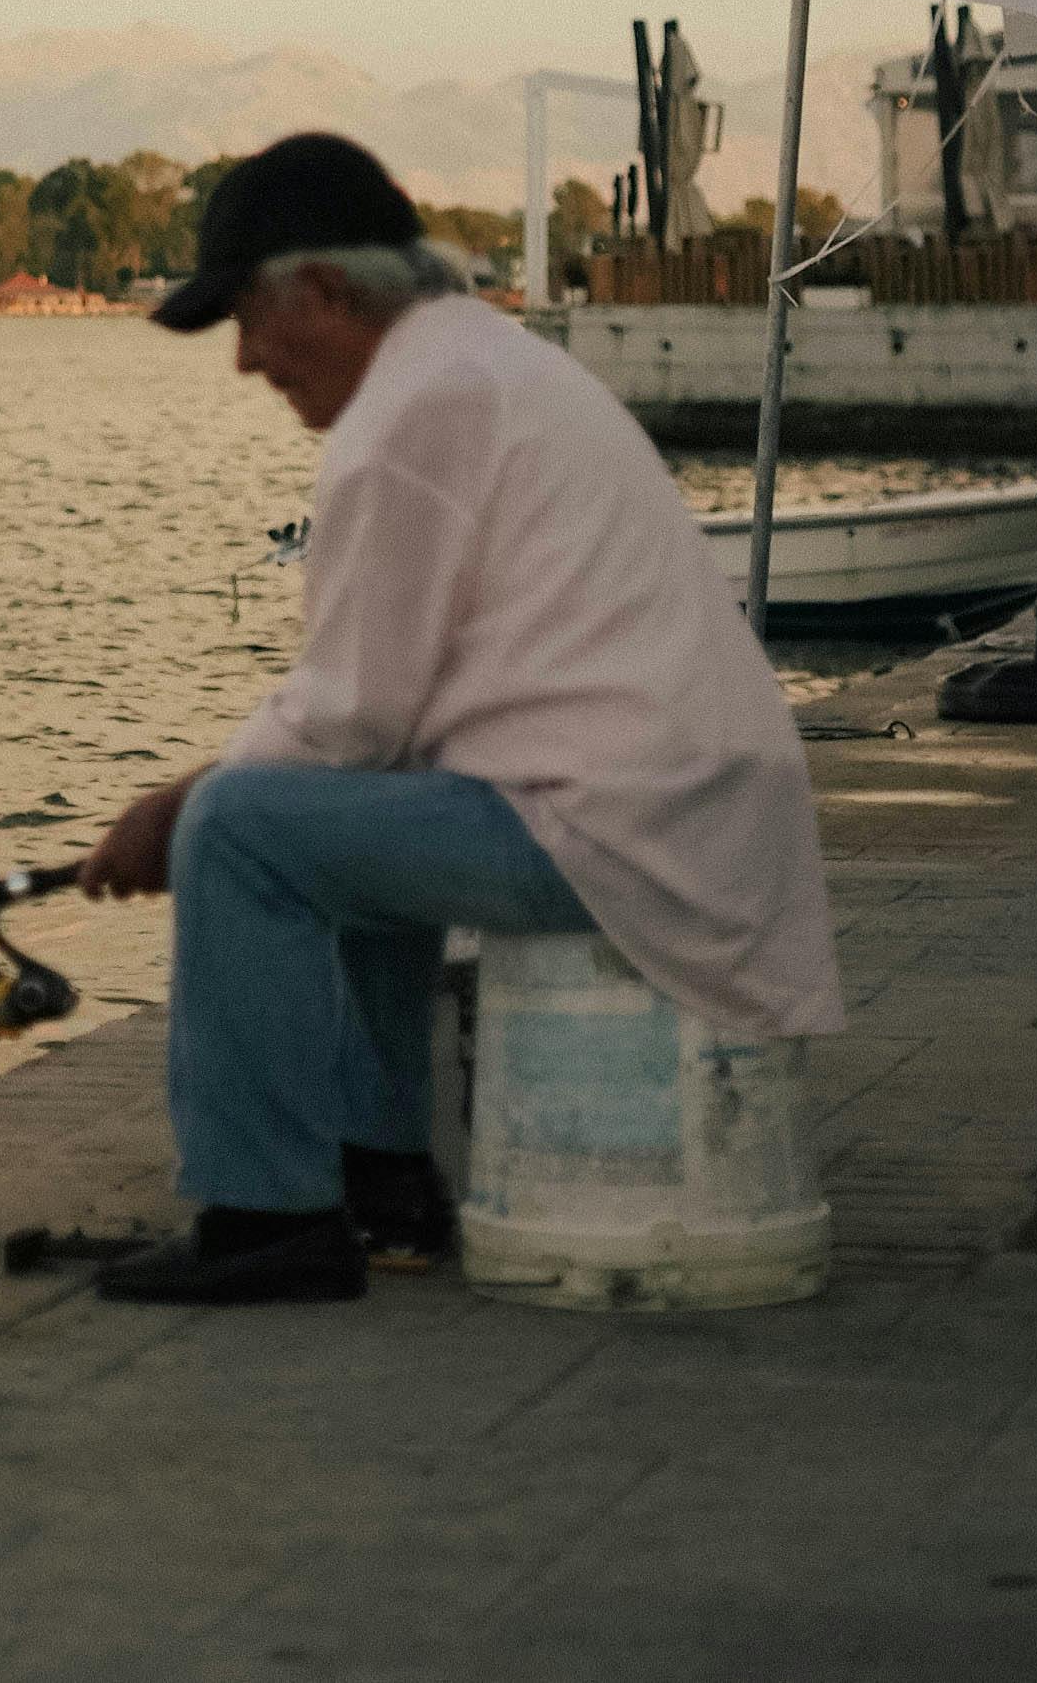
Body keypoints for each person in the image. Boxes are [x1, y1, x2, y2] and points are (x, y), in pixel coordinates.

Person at [83, 132, 840, 1305]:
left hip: (624, 822)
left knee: (243, 830)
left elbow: (346, 715)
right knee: (328, 817)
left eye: (246, 320)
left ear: (325, 291)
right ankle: (384, 1178)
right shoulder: (480, 361)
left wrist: (172, 813)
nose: (245, 363)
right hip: (679, 803)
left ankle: (264, 1215)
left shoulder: (408, 417)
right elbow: (368, 732)